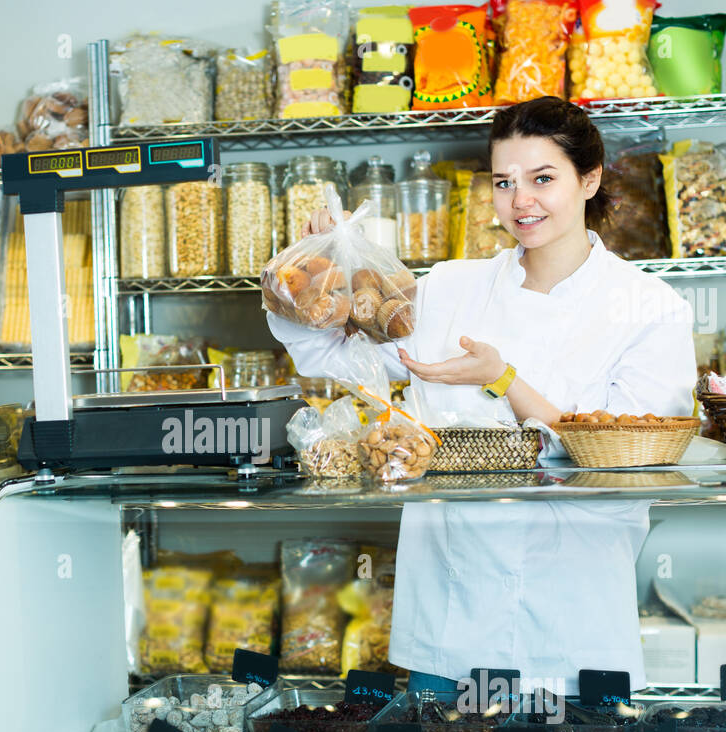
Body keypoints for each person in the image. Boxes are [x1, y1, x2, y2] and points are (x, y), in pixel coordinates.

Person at [267, 96, 697, 697]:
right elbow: (339, 359)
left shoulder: (650, 309)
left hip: (574, 621)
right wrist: (315, 273)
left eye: (543, 179)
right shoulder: (449, 289)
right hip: (450, 615)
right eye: (504, 182)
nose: (521, 201)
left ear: (589, 179)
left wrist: (504, 380)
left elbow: (630, 463)